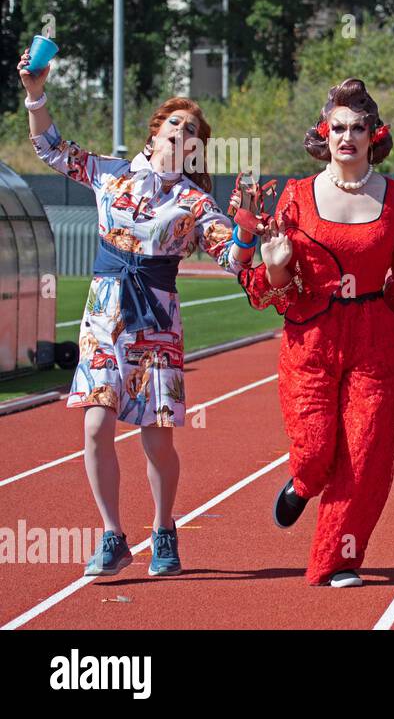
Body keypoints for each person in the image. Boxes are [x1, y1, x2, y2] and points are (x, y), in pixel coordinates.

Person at [20, 47, 257, 579]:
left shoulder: (195, 204)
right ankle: (111, 534)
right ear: (155, 133)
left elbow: (232, 258)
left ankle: (164, 530)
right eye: (175, 124)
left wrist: (245, 229)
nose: (182, 133)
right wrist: (36, 92)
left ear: (194, 151)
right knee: (96, 425)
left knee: (157, 435)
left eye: (192, 132)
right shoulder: (109, 174)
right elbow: (50, 148)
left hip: (155, 321)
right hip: (104, 317)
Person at [241, 78, 394, 587]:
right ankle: (302, 485)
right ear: (324, 134)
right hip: (311, 336)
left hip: (374, 338)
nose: (346, 136)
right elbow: (267, 286)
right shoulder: (296, 196)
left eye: (357, 127)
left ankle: (339, 557)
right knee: (313, 453)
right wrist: (277, 266)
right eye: (338, 127)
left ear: (374, 134)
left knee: (367, 450)